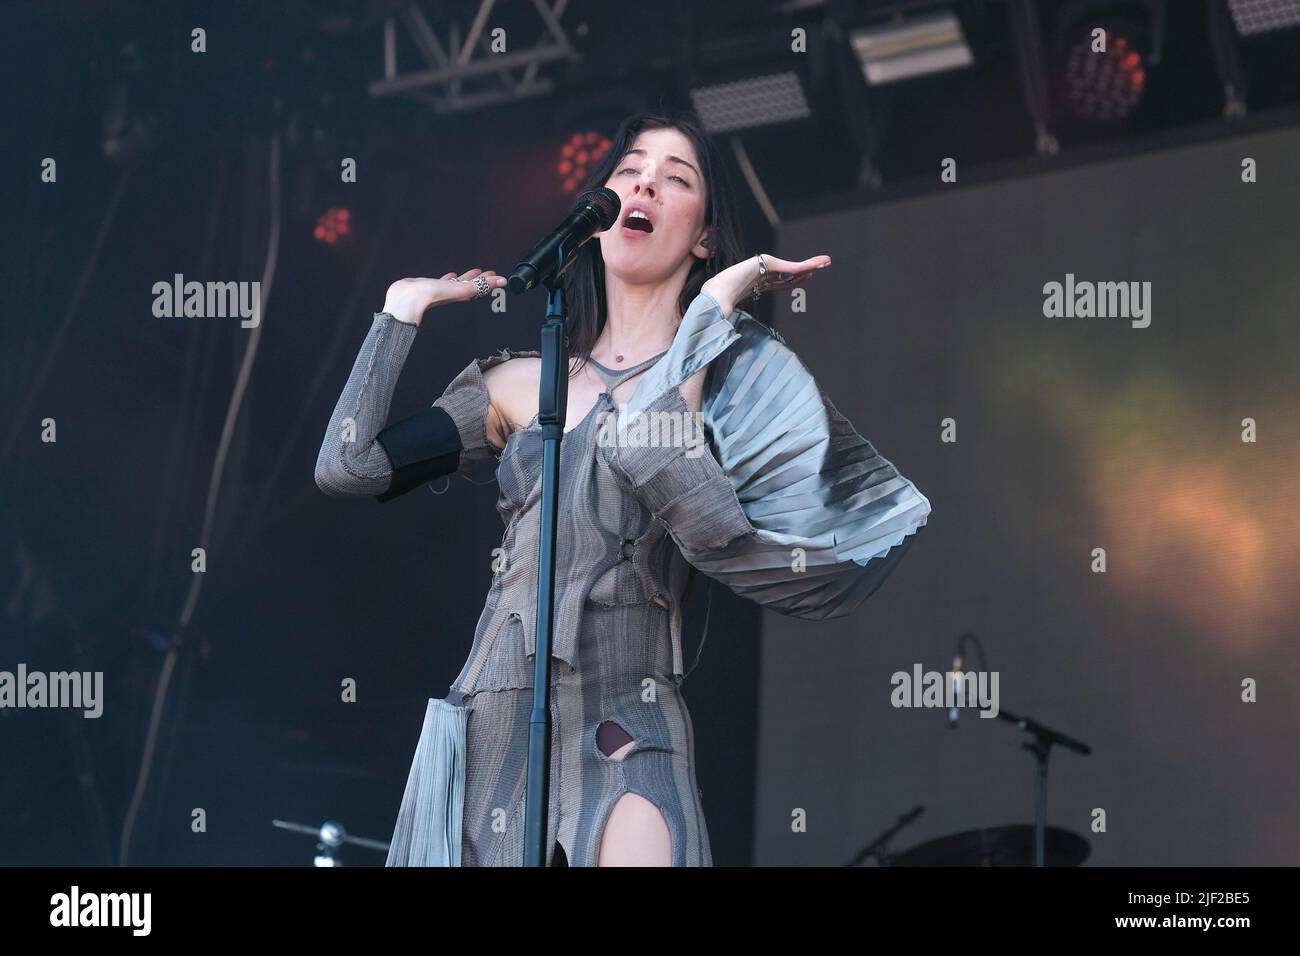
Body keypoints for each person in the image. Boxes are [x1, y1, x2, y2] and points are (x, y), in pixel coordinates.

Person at [314, 112, 931, 866]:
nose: (644, 181)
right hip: (493, 719)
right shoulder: (515, 382)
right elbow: (348, 467)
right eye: (631, 167)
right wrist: (398, 311)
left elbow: (696, 510)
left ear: (703, 236)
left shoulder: (728, 383)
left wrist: (711, 313)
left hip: (628, 725)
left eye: (677, 178)